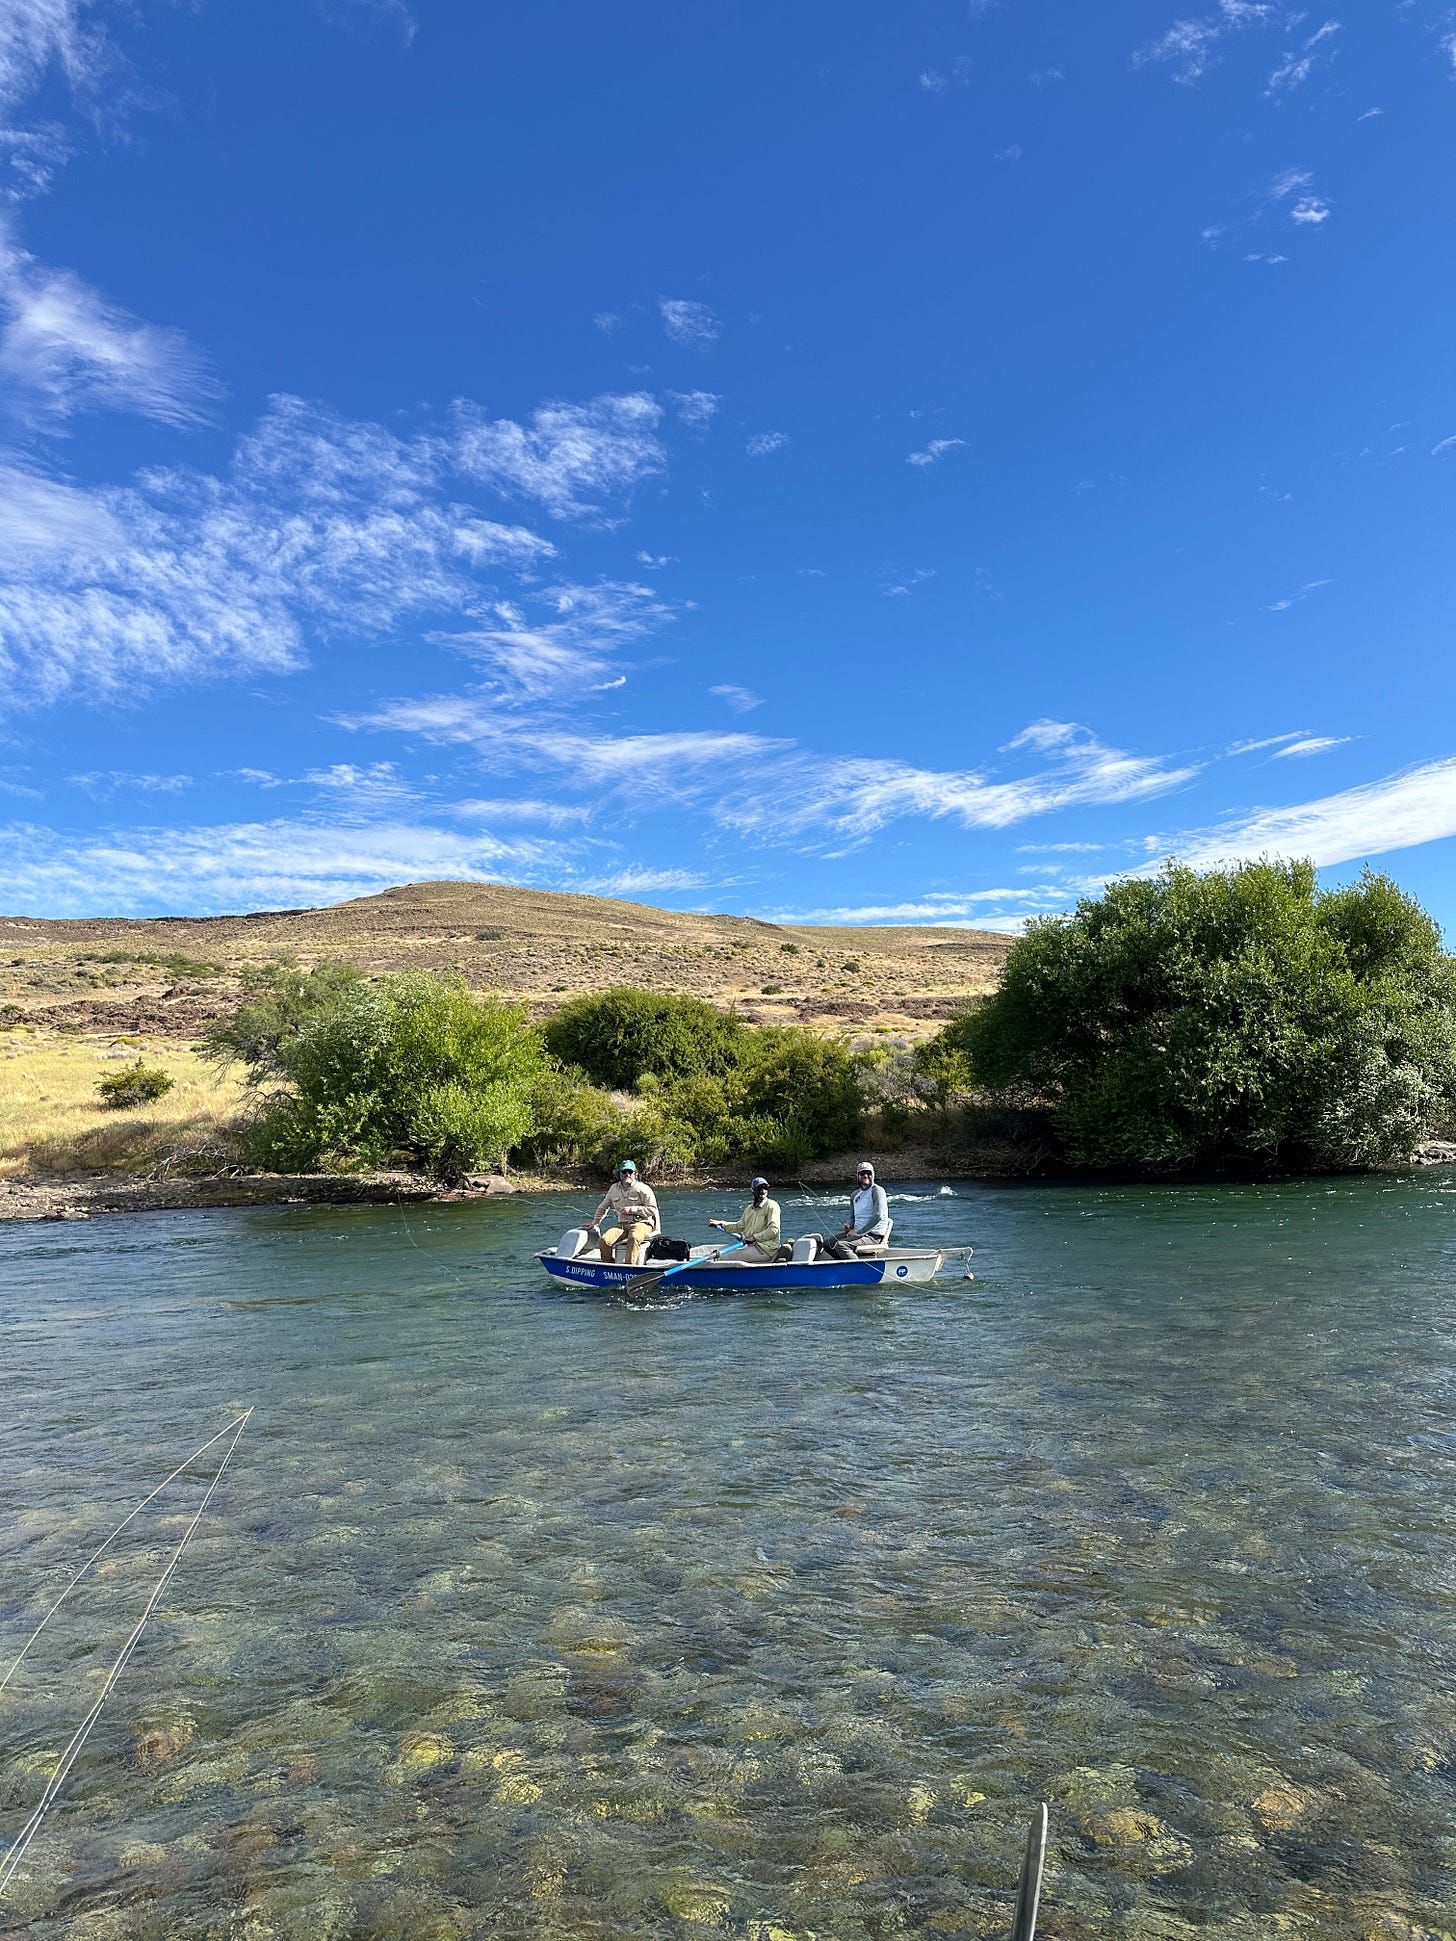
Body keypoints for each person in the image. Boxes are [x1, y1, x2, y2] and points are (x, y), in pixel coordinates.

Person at [587, 1159, 660, 1266]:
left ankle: (629, 1267)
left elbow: (652, 1209)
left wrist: (633, 1209)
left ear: (635, 1174)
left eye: (630, 1172)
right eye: (624, 1172)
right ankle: (610, 1266)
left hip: (643, 1223)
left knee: (634, 1237)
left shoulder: (644, 1189)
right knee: (604, 1240)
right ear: (620, 1174)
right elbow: (603, 1207)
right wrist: (595, 1223)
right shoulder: (614, 1189)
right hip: (622, 1225)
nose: (627, 1175)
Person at [819, 1161, 890, 1259]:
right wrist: (849, 1225)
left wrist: (859, 1232)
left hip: (872, 1236)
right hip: (857, 1234)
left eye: (869, 1173)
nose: (866, 1176)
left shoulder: (877, 1191)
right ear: (857, 1176)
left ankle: (857, 1268)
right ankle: (845, 1264)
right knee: (827, 1244)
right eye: (862, 1173)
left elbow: (878, 1215)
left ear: (873, 1175)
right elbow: (852, 1217)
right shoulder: (854, 1195)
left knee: (842, 1245)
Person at [708, 1176, 783, 1262]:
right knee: (718, 1253)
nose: (763, 1191)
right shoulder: (749, 1209)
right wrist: (721, 1224)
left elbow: (774, 1230)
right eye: (759, 1188)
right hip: (752, 1247)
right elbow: (740, 1226)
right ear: (753, 1190)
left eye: (765, 1188)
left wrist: (754, 1237)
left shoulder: (772, 1206)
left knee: (721, 1257)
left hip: (765, 1250)